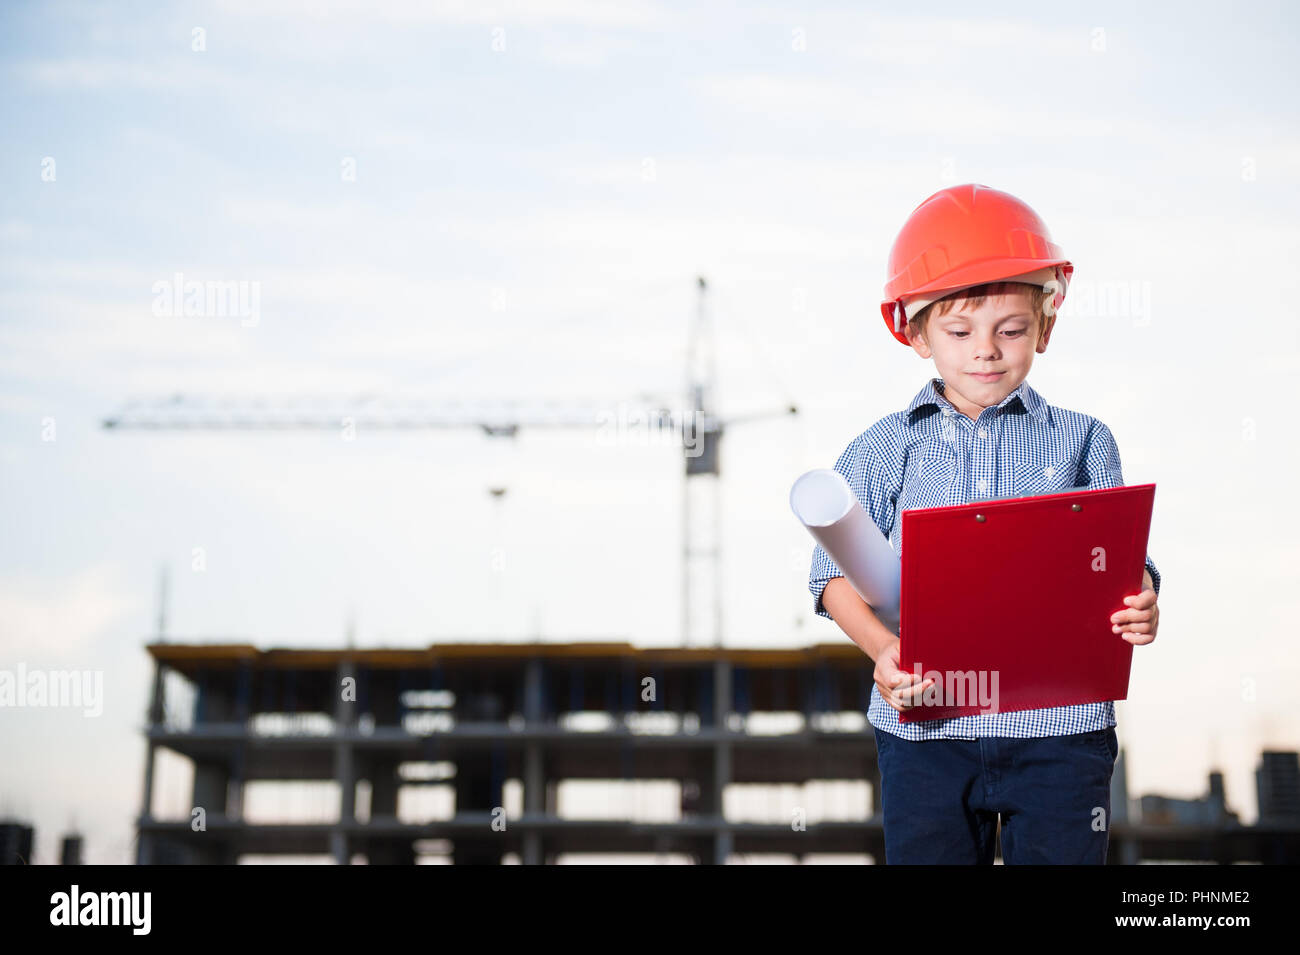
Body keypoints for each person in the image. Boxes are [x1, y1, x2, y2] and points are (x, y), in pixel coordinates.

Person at [808, 183, 1161, 864]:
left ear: (1045, 328)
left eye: (1011, 329)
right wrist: (882, 649)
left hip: (1061, 730)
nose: (986, 351)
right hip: (926, 732)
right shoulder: (881, 449)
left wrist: (1142, 595)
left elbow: (1119, 556)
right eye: (959, 330)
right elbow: (829, 574)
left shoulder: (1085, 441)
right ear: (915, 332)